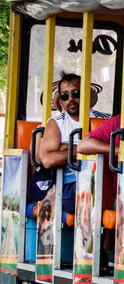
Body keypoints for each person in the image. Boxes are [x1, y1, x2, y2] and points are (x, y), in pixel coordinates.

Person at [29, 73, 110, 209]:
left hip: (104, 182)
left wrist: (64, 148)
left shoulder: (104, 120)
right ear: (61, 102)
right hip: (69, 188)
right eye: (65, 96)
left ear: (87, 95)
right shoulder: (56, 123)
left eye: (76, 93)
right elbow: (48, 160)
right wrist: (82, 148)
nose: (71, 99)